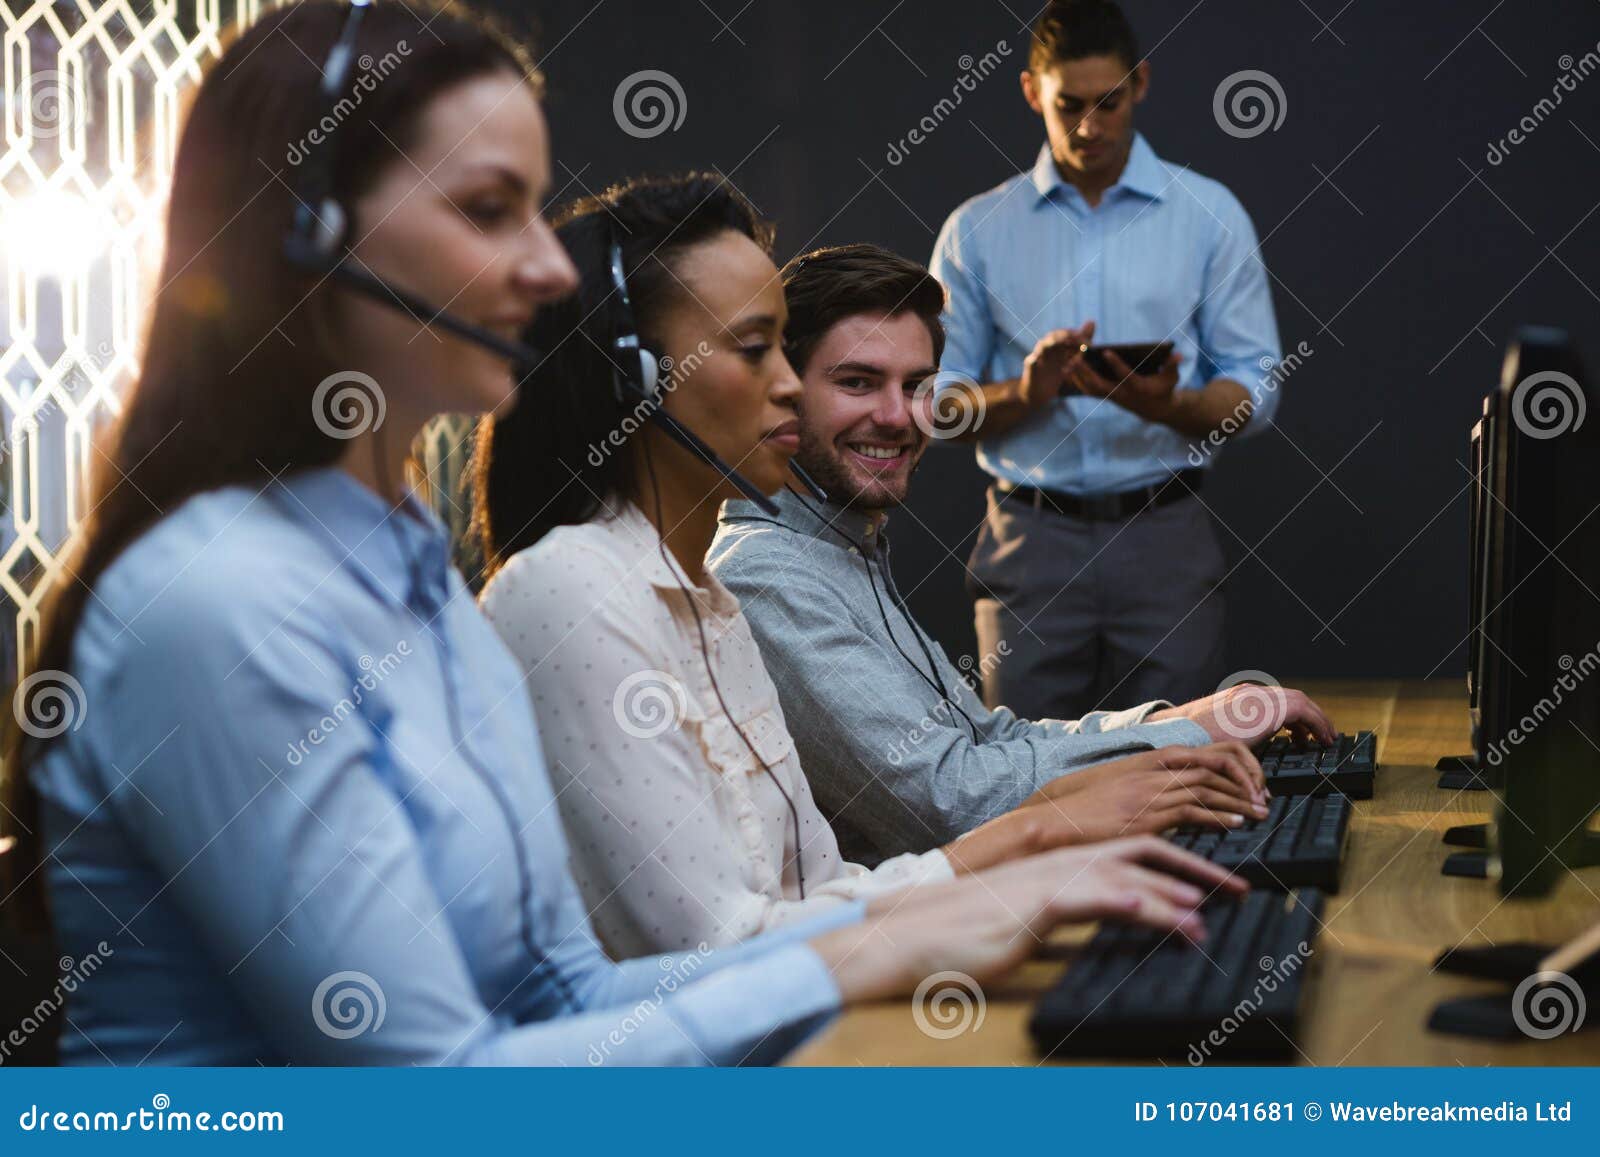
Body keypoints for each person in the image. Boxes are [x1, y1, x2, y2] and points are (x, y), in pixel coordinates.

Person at [0, 1, 1240, 1067]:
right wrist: (909, 925)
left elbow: (565, 997)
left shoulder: (410, 587)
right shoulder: (218, 601)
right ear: (314, 236)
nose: (550, 268)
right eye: (491, 209)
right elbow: (431, 1090)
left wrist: (956, 901)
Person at [471, 174, 1258, 957]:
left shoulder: (711, 601)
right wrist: (1041, 833)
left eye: (784, 349)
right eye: (757, 351)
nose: (786, 385)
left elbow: (820, 883)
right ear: (635, 381)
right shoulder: (576, 589)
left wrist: (1082, 814)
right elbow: (719, 954)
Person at [710, 244, 1334, 865]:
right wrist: (1192, 737)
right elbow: (950, 801)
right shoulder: (768, 576)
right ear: (783, 393)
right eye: (857, 382)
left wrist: (1198, 718)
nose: (900, 417)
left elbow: (991, 739)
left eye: (919, 387)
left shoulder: (844, 550)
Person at [930, 0, 1284, 720]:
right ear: (1032, 93)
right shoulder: (976, 231)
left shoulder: (1209, 214)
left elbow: (1255, 388)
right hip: (1027, 543)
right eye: (1068, 105)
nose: (1089, 127)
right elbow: (934, 405)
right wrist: (1029, 394)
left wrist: (1167, 406)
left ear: (1141, 84)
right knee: (1021, 784)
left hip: (1165, 538)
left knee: (1184, 773)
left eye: (1108, 102)